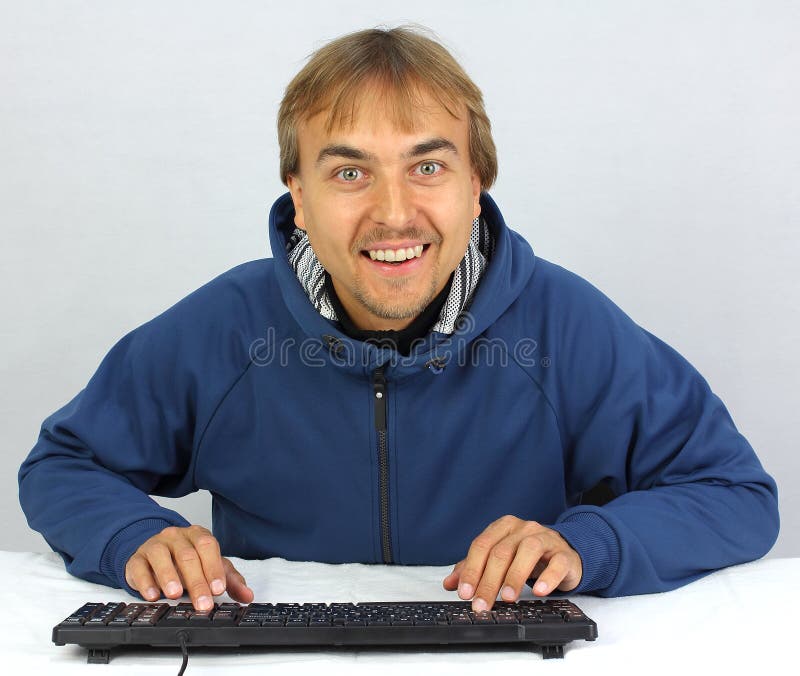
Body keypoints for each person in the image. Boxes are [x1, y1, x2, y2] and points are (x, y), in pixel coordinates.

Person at [19, 26, 779, 616]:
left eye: (428, 167)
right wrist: (133, 536)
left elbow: (735, 493)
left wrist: (590, 545)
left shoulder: (568, 326)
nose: (392, 213)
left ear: (476, 184)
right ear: (300, 194)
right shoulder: (223, 328)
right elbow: (65, 464)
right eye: (350, 172)